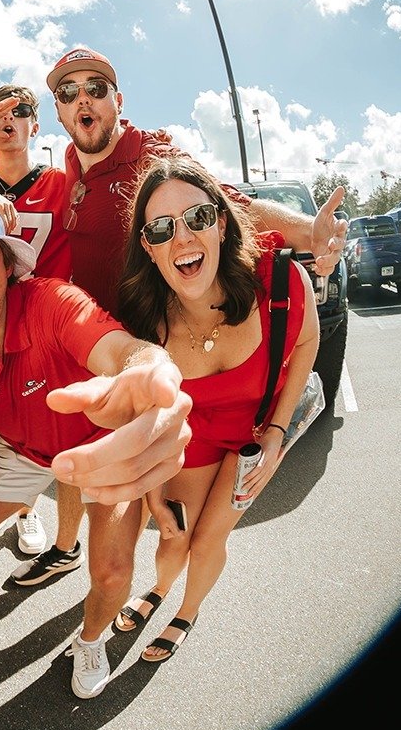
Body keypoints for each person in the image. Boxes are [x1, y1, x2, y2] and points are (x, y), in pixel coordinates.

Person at [26, 44, 347, 590]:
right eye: (69, 92)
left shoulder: (151, 152)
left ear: (117, 101)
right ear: (58, 111)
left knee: (126, 546)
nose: (85, 100)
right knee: (101, 491)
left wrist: (305, 233)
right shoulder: (69, 171)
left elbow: (226, 205)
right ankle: (72, 556)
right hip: (98, 363)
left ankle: (110, 625)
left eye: (96, 88)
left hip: (148, 359)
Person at [0, 195, 192, 699]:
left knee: (114, 570)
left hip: (100, 440)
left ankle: (92, 639)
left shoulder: (51, 301)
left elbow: (124, 351)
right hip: (22, 453)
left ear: (7, 263)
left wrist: (151, 368)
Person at [111, 157, 319, 660]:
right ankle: (159, 588)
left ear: (222, 224)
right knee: (173, 540)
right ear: (149, 248)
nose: (182, 238)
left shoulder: (282, 285)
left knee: (207, 541)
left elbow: (307, 346)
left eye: (199, 218)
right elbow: (146, 412)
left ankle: (187, 611)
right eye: (161, 229)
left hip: (253, 435)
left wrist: (276, 431)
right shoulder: (142, 316)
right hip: (189, 435)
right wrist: (154, 489)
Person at [0, 83, 71, 562]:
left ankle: (27, 510)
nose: (9, 119)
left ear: (35, 124)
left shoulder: (61, 183)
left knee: (43, 428)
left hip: (44, 332)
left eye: (21, 110)